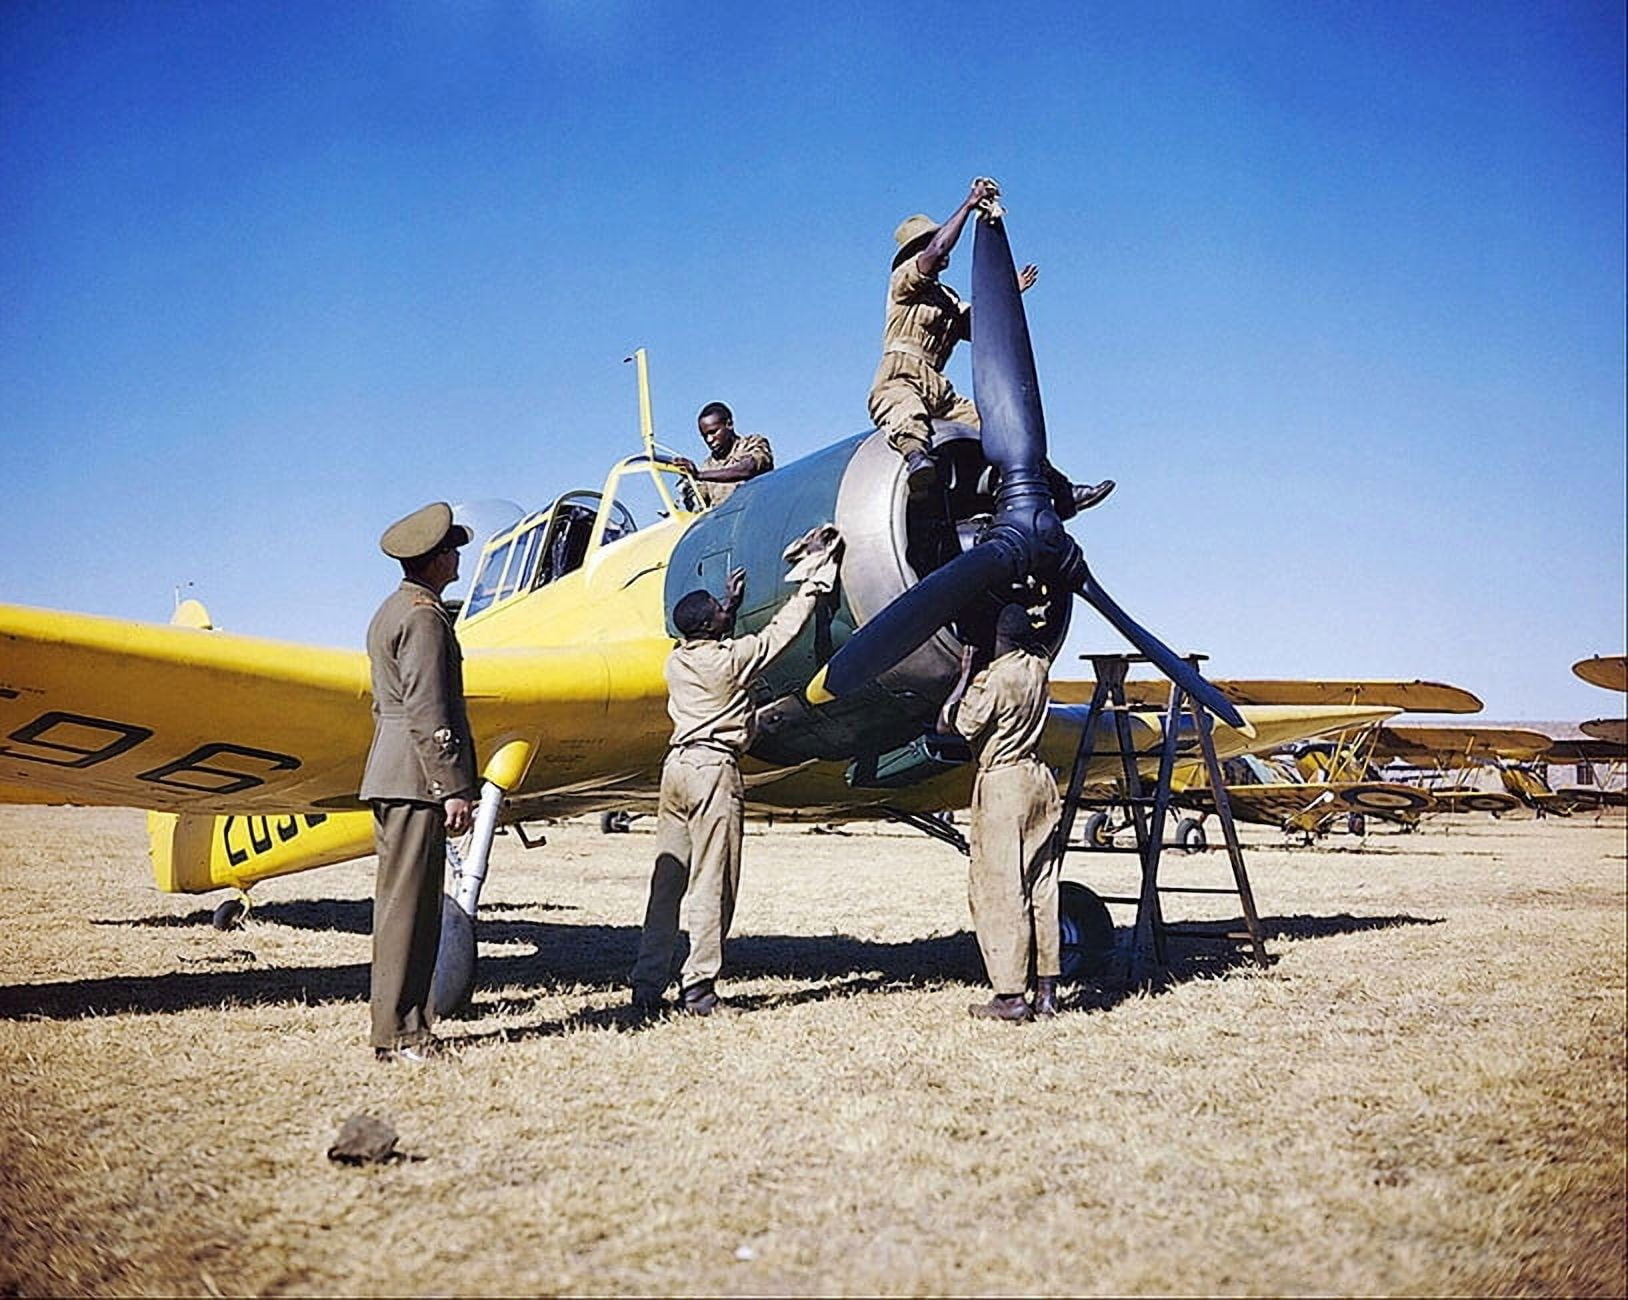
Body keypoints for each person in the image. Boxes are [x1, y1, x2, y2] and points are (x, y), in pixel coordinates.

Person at [630, 529, 842, 1015]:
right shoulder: (731, 661)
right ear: (712, 626)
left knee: (668, 883)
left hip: (676, 769)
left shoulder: (676, 662)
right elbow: (779, 635)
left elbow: (709, 637)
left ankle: (647, 984)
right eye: (719, 611)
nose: (726, 612)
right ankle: (699, 988)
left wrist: (724, 607)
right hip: (712, 771)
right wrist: (812, 586)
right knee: (713, 880)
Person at [867, 177, 1114, 512]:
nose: (941, 248)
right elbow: (937, 251)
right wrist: (969, 205)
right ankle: (916, 462)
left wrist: (1007, 290)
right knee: (906, 413)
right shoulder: (903, 282)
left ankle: (1059, 489)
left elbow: (983, 326)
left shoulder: (948, 300)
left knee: (1002, 430)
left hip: (938, 387)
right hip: (900, 375)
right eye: (929, 241)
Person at [360, 502, 479, 1062]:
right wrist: (451, 785)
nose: (458, 557)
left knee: (397, 908)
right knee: (411, 912)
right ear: (435, 559)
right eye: (452, 549)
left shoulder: (392, 611)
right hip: (416, 778)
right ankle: (405, 1034)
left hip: (395, 771)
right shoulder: (425, 617)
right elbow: (429, 708)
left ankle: (394, 1030)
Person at [937, 603, 1063, 1022]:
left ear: (998, 639)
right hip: (1039, 781)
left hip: (1003, 784)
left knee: (1002, 889)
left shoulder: (994, 679)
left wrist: (964, 675)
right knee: (1042, 885)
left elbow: (953, 725)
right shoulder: (1037, 668)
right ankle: (1047, 992)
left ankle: (1010, 996)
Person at [671, 401, 775, 508]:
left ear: (729, 424)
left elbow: (748, 468)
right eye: (704, 436)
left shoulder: (752, 443)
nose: (709, 440)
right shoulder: (708, 466)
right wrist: (688, 487)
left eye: (713, 432)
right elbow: (700, 501)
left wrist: (699, 475)